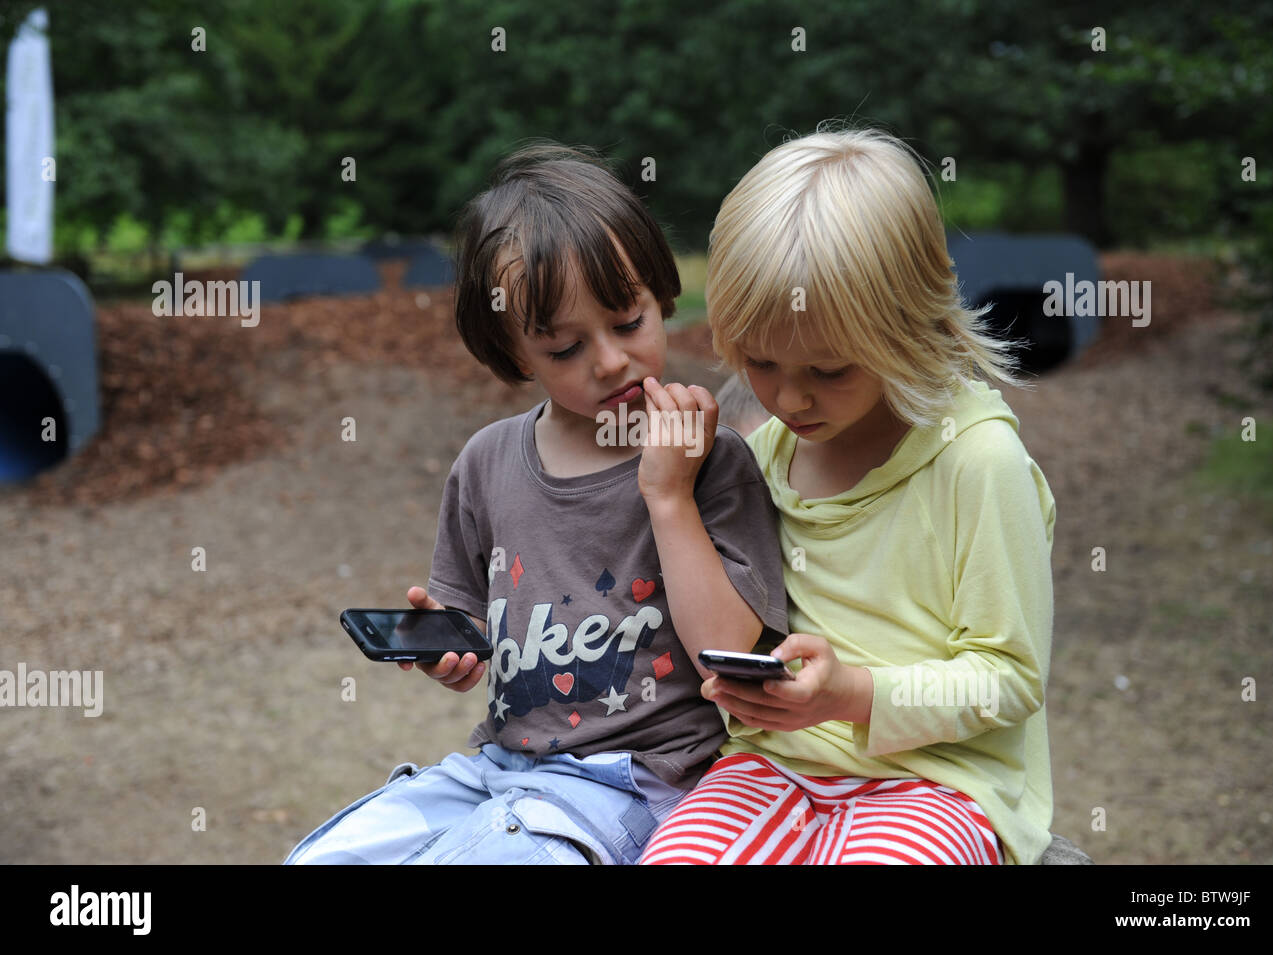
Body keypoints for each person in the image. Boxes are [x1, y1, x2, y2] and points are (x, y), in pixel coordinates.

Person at [284, 144, 787, 865]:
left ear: (661, 297)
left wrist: (669, 493)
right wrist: (448, 652)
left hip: (636, 783)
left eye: (626, 321)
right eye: (563, 347)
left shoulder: (710, 458)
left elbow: (730, 656)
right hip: (498, 770)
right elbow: (468, 629)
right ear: (517, 353)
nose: (610, 360)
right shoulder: (487, 462)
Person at [639, 126, 1056, 865]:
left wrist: (851, 694)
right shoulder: (764, 454)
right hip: (770, 767)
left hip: (938, 782)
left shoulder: (977, 462)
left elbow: (1009, 677)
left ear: (907, 328)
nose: (790, 398)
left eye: (829, 370)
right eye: (762, 362)